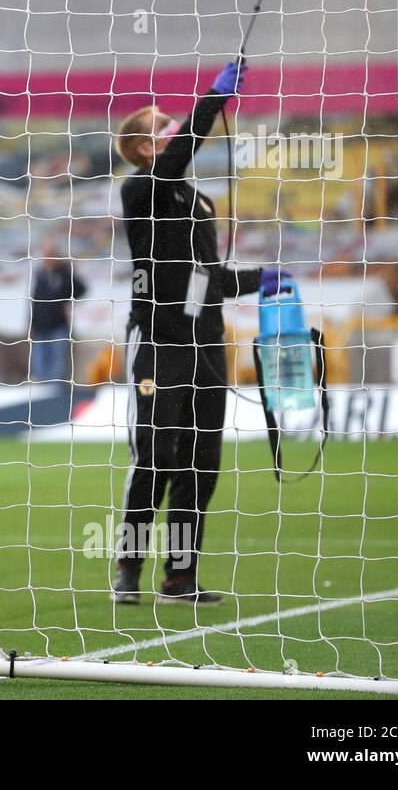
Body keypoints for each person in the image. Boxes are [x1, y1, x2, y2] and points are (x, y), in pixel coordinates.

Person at [112, 61, 288, 604]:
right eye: (162, 124)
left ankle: (179, 576)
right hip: (158, 347)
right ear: (146, 147)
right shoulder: (141, 189)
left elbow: (208, 279)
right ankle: (128, 570)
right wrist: (212, 100)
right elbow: (178, 155)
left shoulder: (201, 201)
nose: (173, 126)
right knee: (156, 457)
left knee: (200, 463)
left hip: (205, 348)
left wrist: (264, 278)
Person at [29, 240, 87, 405]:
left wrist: (70, 275)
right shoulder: (40, 275)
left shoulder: (64, 274)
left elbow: (81, 289)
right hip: (41, 327)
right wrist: (31, 323)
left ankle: (55, 401)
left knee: (58, 366)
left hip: (58, 326)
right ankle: (41, 400)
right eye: (46, 255)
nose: (48, 259)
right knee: (40, 365)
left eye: (51, 255)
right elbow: (34, 300)